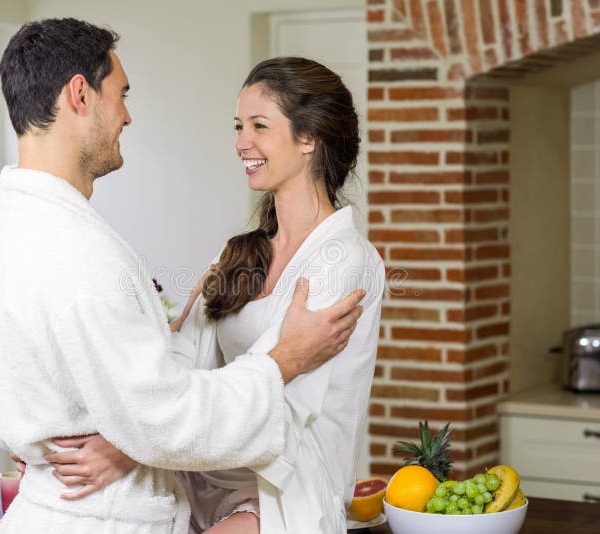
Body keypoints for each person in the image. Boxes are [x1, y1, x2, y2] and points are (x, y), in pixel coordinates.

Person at [0, 19, 364, 534]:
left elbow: (159, 394)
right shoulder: (80, 252)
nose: (127, 115)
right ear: (80, 94)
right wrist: (283, 358)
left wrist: (127, 437)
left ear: (310, 139)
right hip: (104, 512)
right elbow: (165, 414)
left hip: (78, 502)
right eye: (121, 94)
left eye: (259, 125)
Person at [45, 57, 385, 533]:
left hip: (286, 493)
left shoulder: (345, 260)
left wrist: (127, 447)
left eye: (259, 126)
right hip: (192, 472)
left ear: (309, 138)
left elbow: (277, 399)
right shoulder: (239, 252)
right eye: (239, 126)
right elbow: (181, 361)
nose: (241, 142)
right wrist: (116, 434)